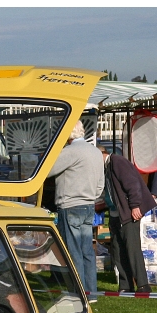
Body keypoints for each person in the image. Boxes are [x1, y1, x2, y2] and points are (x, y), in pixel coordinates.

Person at [45, 121, 104, 296]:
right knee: (87, 251)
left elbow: (47, 170)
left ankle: (79, 293)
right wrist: (91, 197)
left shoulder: (69, 151)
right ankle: (91, 292)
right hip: (88, 205)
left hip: (70, 205)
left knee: (73, 252)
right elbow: (100, 184)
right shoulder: (95, 152)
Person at [101, 145, 155, 293]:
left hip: (127, 213)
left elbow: (133, 184)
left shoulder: (117, 162)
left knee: (132, 248)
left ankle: (143, 285)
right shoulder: (107, 167)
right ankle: (125, 285)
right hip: (116, 214)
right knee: (118, 250)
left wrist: (135, 205)